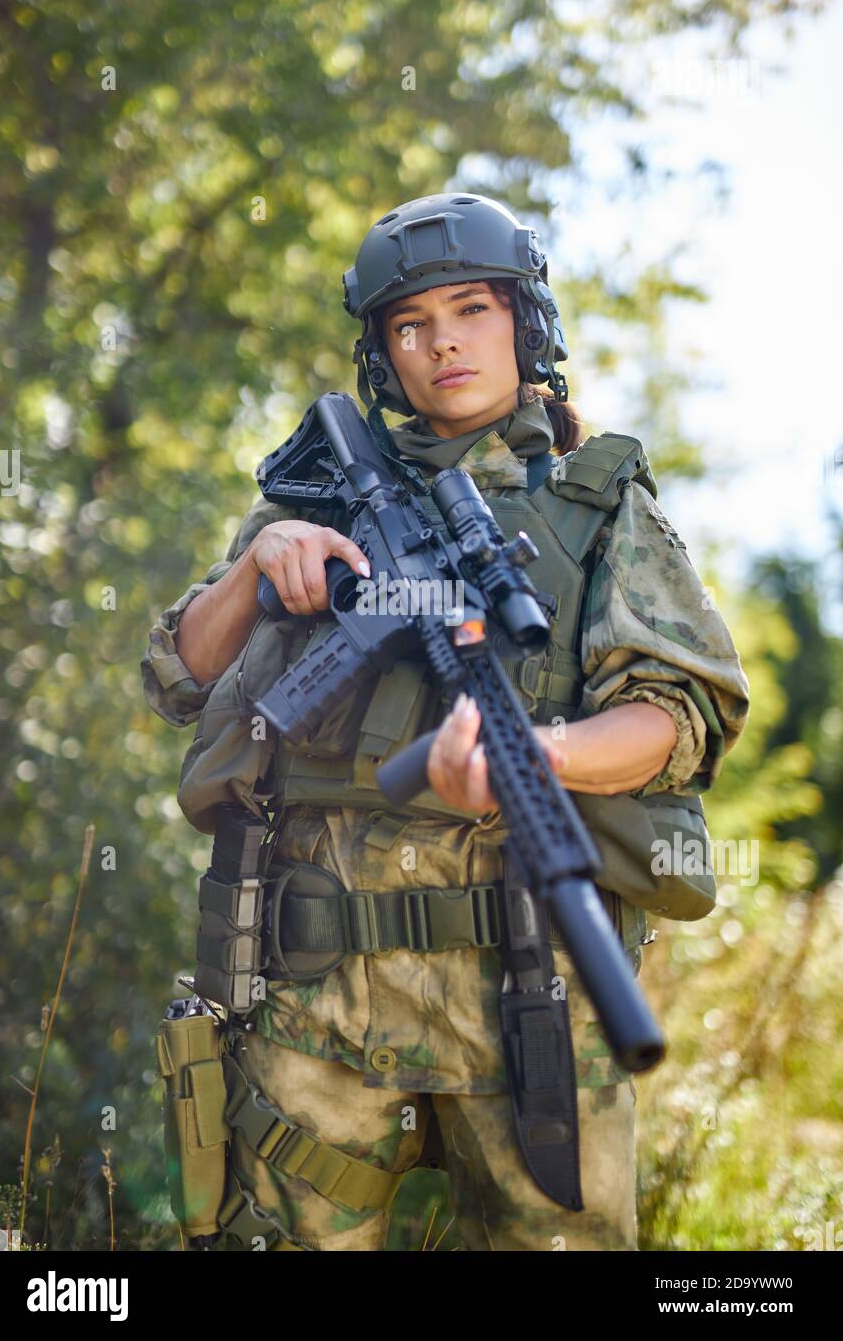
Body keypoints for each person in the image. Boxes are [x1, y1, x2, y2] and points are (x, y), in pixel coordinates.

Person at [142, 193, 750, 1251]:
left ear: (525, 323)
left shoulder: (599, 504)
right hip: (311, 988)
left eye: (470, 309)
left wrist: (536, 759)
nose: (442, 343)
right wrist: (259, 564)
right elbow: (175, 674)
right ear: (380, 353)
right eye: (407, 325)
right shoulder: (314, 496)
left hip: (528, 990)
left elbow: (678, 714)